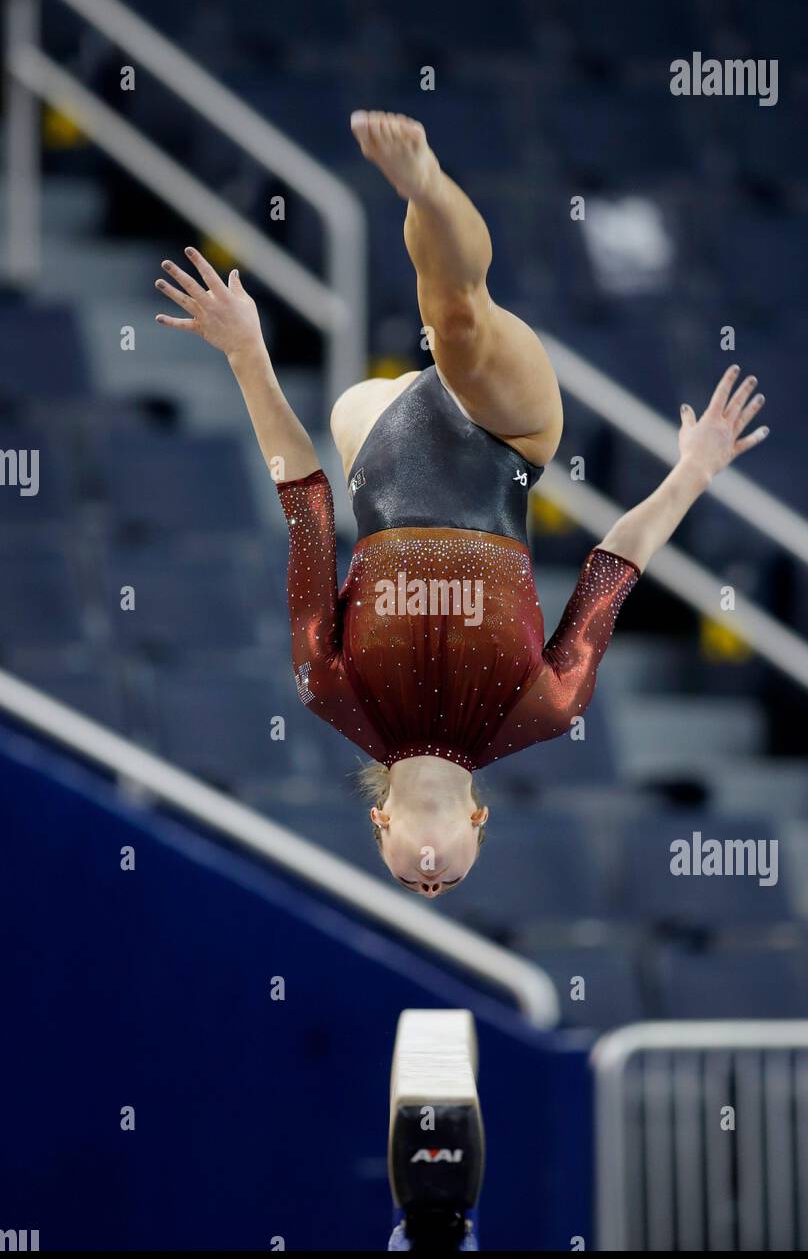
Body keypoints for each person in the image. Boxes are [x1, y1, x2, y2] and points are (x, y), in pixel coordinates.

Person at [155, 111, 768, 898]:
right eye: (444, 888)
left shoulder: (330, 692)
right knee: (458, 324)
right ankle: (424, 185)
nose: (429, 883)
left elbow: (306, 510)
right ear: (479, 820)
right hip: (502, 441)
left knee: (434, 344)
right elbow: (614, 566)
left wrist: (247, 354)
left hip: (375, 442)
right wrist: (692, 471)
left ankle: (426, 208)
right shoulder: (539, 709)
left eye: (411, 884)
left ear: (380, 827)